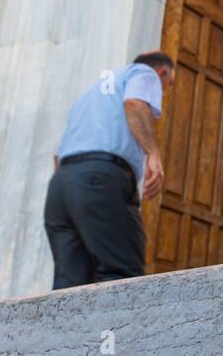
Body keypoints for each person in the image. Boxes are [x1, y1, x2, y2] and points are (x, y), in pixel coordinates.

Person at [44, 51, 174, 289]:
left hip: (61, 188)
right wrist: (153, 154)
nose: (164, 92)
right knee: (122, 275)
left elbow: (57, 153)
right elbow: (134, 103)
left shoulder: (89, 95)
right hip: (99, 179)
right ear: (162, 72)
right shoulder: (145, 73)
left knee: (70, 285)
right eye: (169, 85)